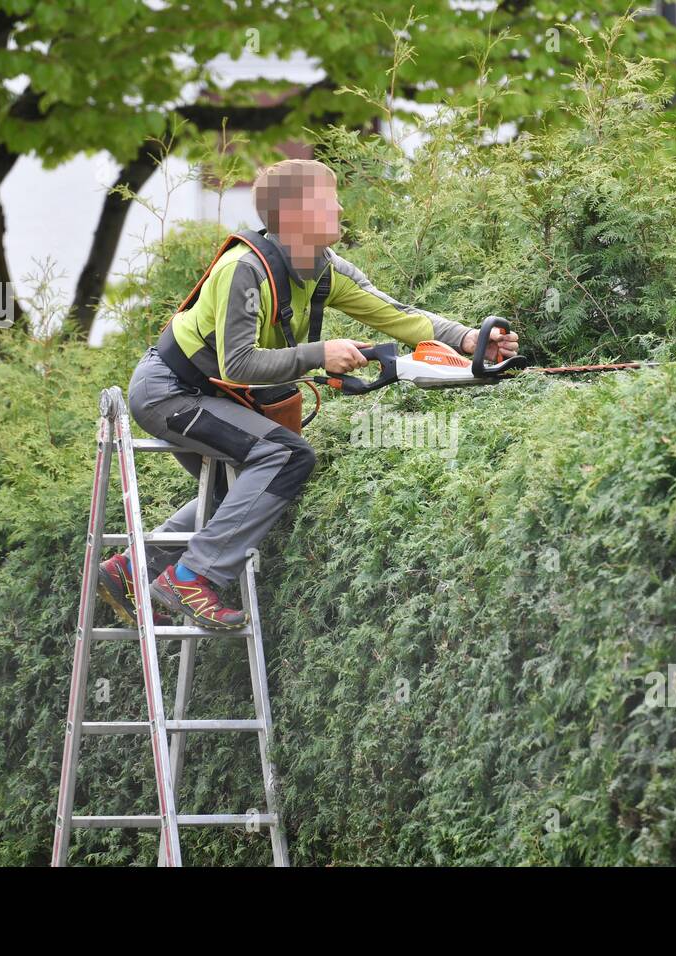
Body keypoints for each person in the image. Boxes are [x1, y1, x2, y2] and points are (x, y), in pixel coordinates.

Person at [97, 158, 519, 629]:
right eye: (329, 198)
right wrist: (320, 353)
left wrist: (470, 341)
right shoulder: (245, 270)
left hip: (211, 395)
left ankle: (136, 567)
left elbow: (398, 315)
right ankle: (192, 576)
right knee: (285, 455)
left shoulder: (325, 271)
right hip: (170, 392)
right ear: (296, 212)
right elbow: (237, 364)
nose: (340, 206)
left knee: (238, 489)